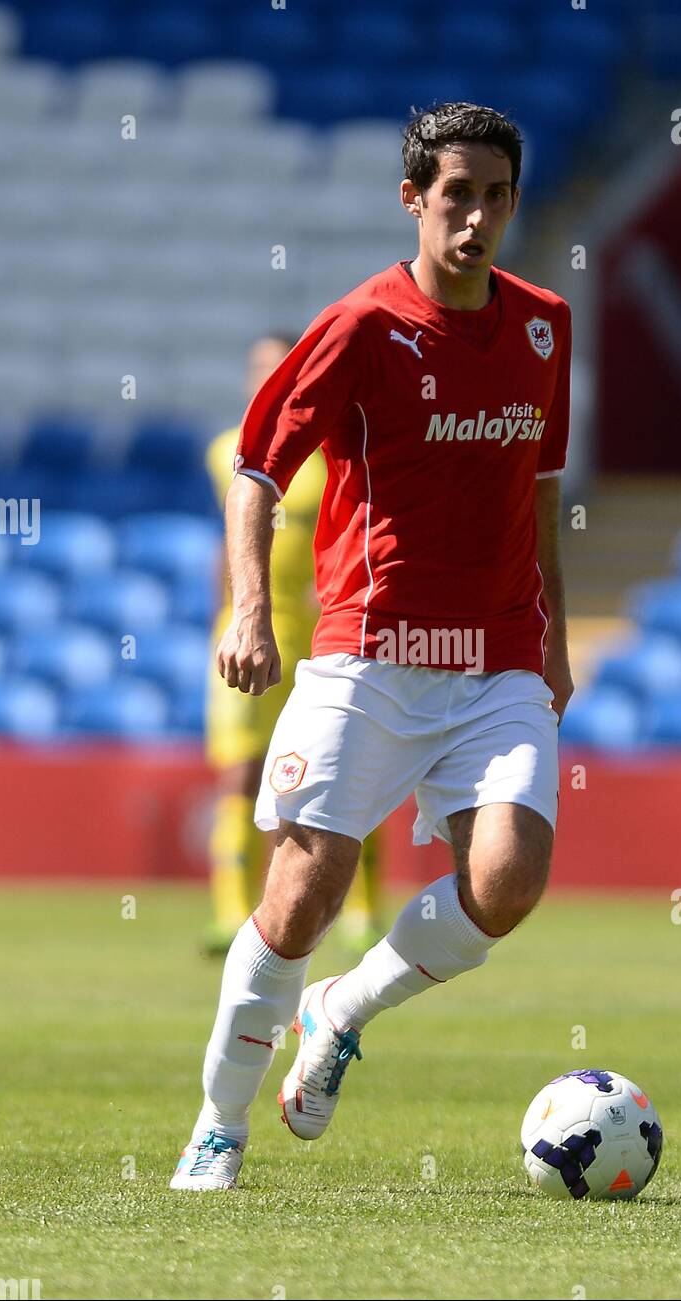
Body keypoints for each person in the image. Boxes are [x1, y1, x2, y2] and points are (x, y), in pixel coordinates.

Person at [171, 101, 573, 1192]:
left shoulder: (543, 324)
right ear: (413, 199)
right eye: (456, 195)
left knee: (506, 880)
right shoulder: (359, 325)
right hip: (366, 653)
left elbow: (539, 497)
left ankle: (343, 1008)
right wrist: (250, 611)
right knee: (302, 893)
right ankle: (220, 1124)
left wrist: (554, 641)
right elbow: (256, 472)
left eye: (495, 195)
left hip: (495, 657)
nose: (476, 216)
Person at [203, 335, 383, 959]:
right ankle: (232, 914)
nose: (262, 378)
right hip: (251, 620)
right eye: (255, 367)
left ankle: (362, 911)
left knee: (350, 770)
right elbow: (224, 541)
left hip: (323, 628)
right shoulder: (227, 451)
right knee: (242, 774)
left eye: (274, 367)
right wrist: (223, 616)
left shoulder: (332, 444)